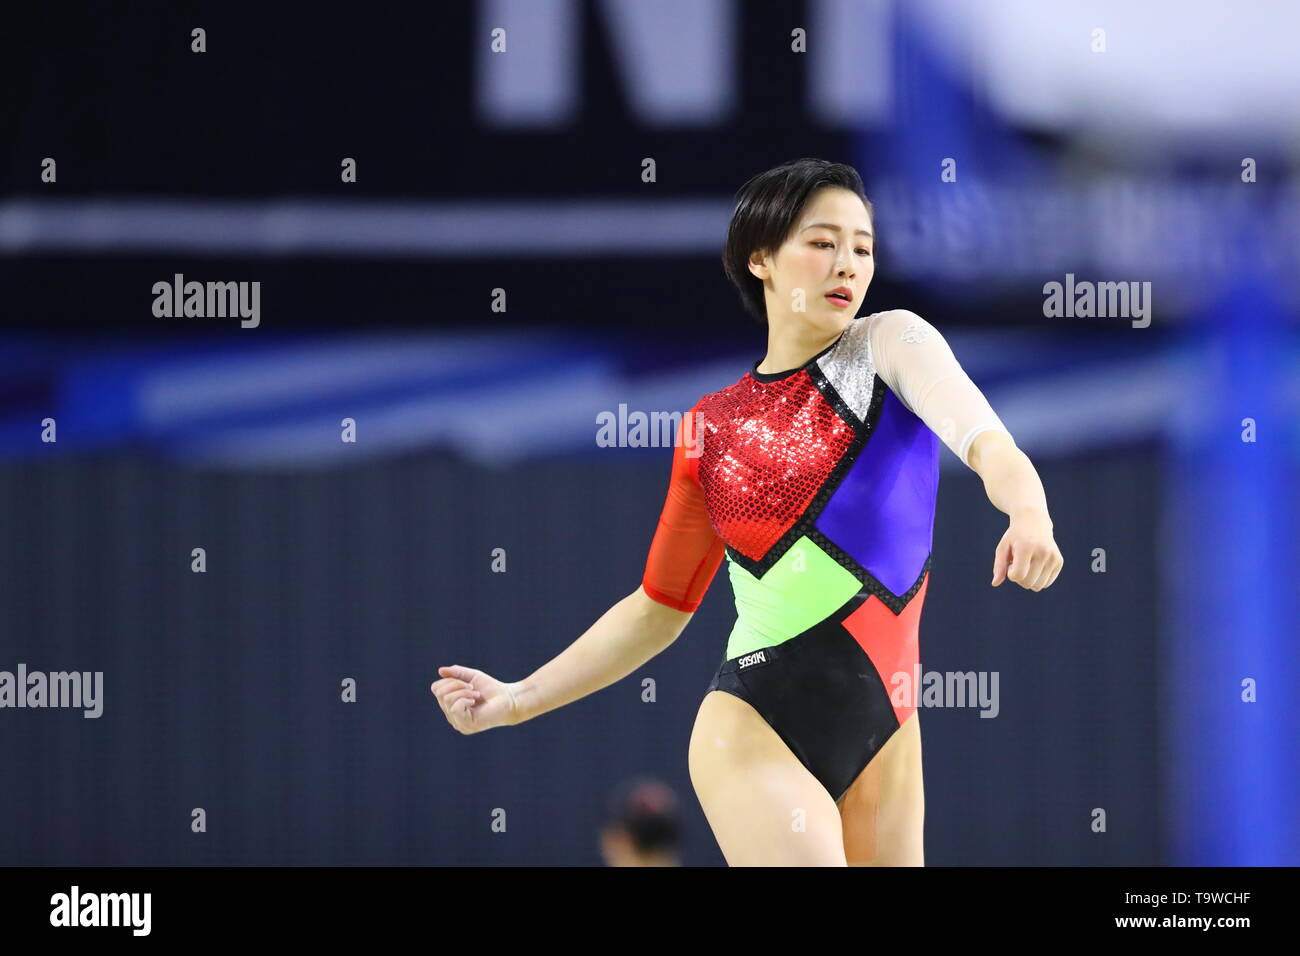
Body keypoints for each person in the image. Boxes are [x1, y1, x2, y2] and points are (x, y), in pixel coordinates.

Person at [431, 158, 1063, 866]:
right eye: (822, 242)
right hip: (755, 724)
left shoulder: (892, 344)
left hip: (889, 736)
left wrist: (1028, 511)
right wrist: (518, 699)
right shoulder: (710, 427)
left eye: (862, 247)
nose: (847, 264)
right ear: (761, 258)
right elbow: (656, 609)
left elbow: (985, 441)